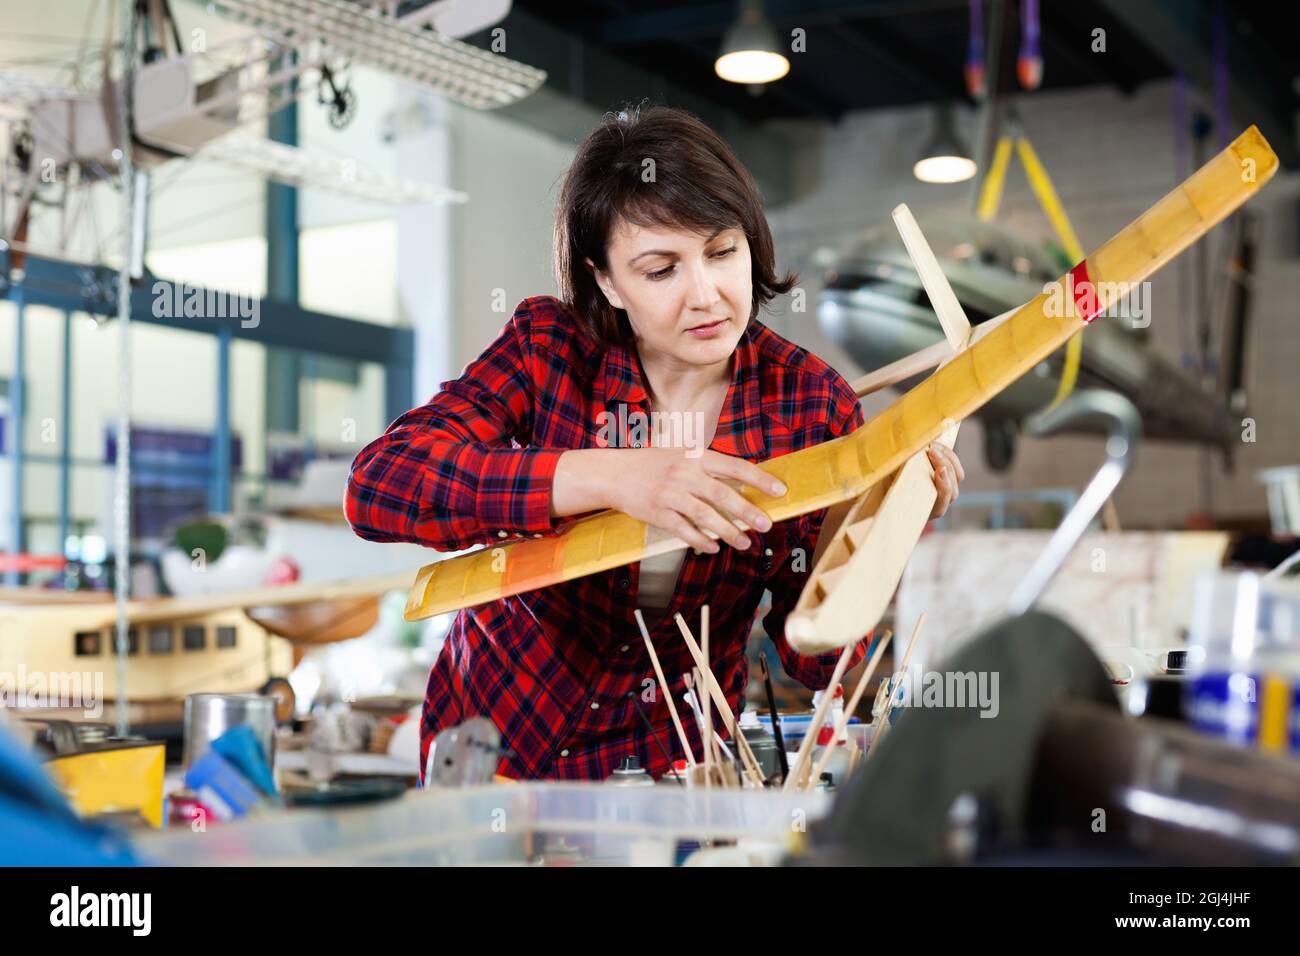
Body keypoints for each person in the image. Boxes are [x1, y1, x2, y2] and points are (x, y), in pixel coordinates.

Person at [345, 105, 965, 782]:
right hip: (495, 740)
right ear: (606, 280)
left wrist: (880, 525)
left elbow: (814, 659)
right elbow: (380, 487)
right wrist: (612, 477)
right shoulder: (547, 349)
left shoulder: (809, 403)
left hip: (669, 771)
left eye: (723, 252)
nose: (706, 296)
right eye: (661, 269)